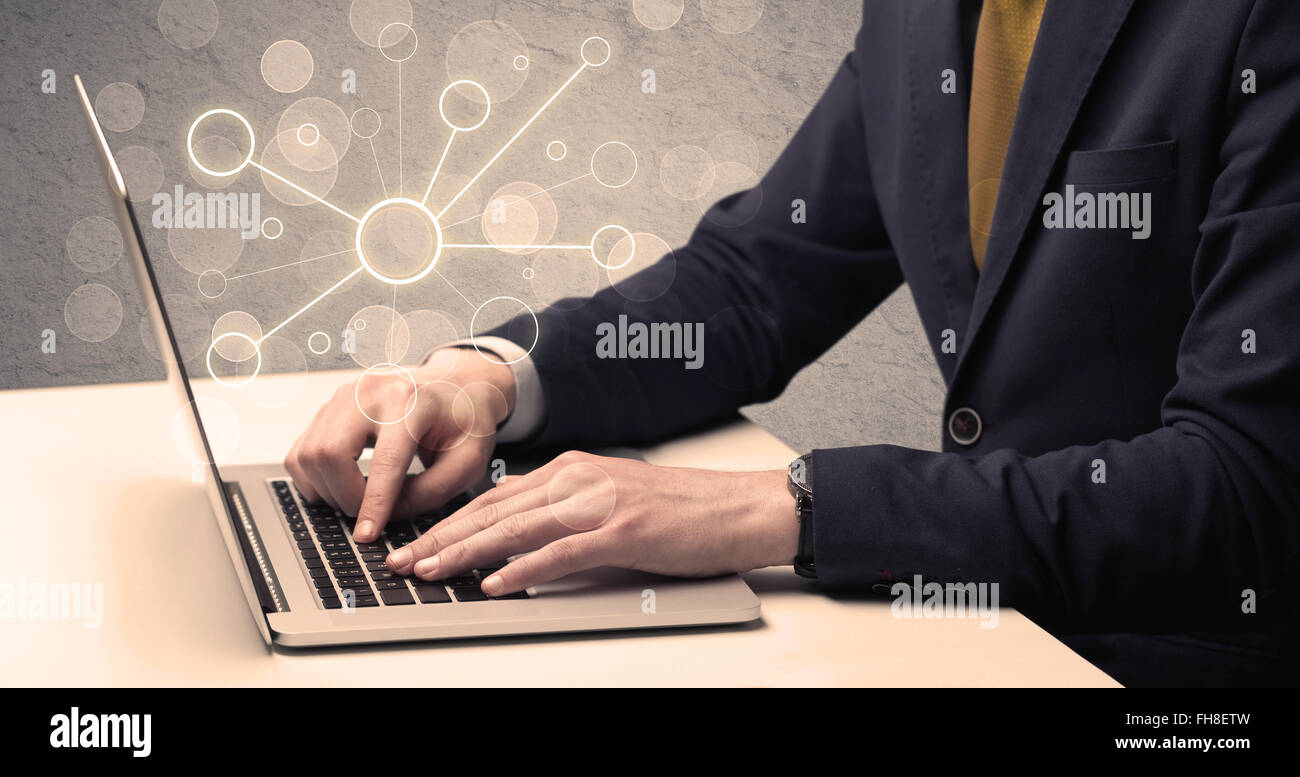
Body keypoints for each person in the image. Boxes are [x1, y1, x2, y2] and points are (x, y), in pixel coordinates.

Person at [286, 0, 1300, 687]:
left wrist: (786, 506)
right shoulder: (920, 16)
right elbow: (760, 278)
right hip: (983, 633)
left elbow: (1248, 488)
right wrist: (495, 378)